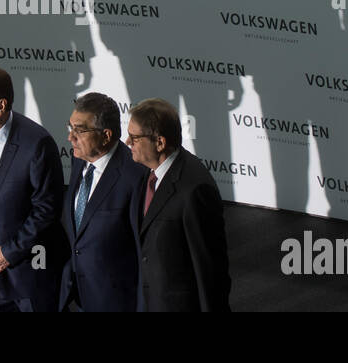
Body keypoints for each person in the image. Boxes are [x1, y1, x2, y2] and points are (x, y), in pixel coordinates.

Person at [0, 64, 69, 311]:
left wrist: (8, 253)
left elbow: (46, 211)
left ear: (0, 106)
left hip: (31, 274)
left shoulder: (37, 144)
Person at [128, 98, 230, 312]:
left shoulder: (194, 190)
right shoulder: (148, 173)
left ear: (160, 143)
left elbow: (209, 269)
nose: (127, 143)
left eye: (134, 138)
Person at [60, 92, 145, 312]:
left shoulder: (135, 177)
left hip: (114, 300)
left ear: (106, 135)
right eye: (70, 127)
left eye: (79, 130)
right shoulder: (79, 159)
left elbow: (142, 252)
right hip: (77, 293)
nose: (71, 137)